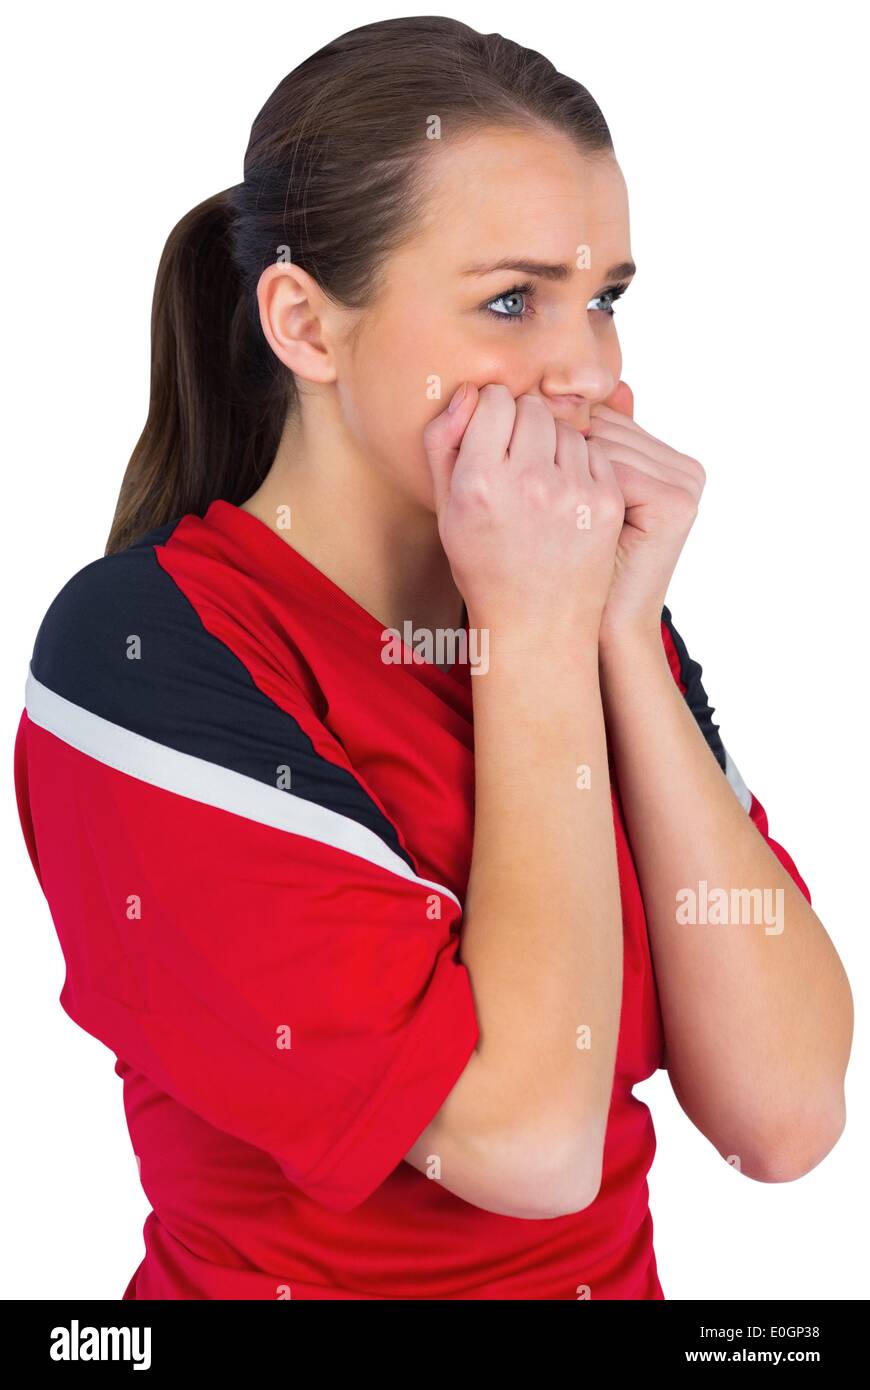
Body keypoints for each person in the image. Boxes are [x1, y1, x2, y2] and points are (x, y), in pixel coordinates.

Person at [13, 15, 852, 1301]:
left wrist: (618, 628)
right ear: (304, 323)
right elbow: (524, 1142)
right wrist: (533, 636)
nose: (585, 369)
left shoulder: (576, 603)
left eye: (606, 299)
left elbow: (787, 1116)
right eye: (512, 300)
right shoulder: (143, 657)